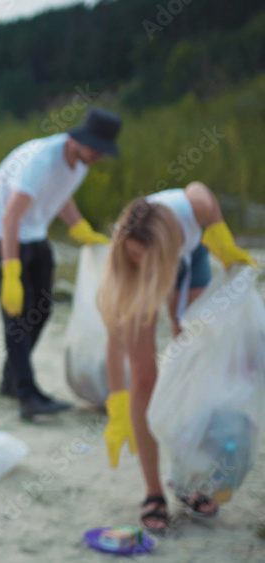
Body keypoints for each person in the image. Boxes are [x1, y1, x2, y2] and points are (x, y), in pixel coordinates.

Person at [98, 182, 258, 533]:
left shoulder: (192, 209)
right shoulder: (129, 261)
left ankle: (189, 479)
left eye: (142, 255)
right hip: (149, 273)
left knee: (196, 360)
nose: (136, 258)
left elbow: (202, 191)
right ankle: (154, 490)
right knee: (143, 376)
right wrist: (116, 402)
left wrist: (219, 235)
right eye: (132, 253)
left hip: (190, 256)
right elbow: (115, 340)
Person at [0, 107, 122, 420]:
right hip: (1, 230)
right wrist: (10, 271)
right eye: (96, 148)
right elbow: (10, 215)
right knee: (16, 315)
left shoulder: (80, 161)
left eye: (103, 151)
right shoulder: (40, 161)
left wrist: (79, 227)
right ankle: (27, 396)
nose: (98, 156)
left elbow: (61, 194)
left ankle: (10, 381)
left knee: (42, 307)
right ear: (80, 139)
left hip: (33, 230)